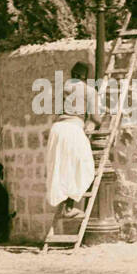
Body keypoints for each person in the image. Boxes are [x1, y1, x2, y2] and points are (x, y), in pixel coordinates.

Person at [45, 60, 97, 217]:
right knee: (81, 166)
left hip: (57, 129)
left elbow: (57, 112)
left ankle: (64, 202)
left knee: (61, 167)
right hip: (73, 129)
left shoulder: (63, 89)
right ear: (86, 76)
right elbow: (96, 117)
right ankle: (69, 207)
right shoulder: (89, 91)